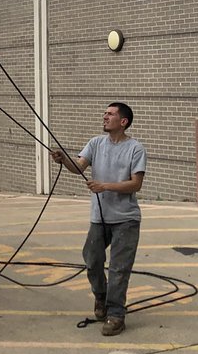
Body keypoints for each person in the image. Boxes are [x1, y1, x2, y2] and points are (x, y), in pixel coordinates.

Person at [51, 102, 147, 336]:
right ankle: (101, 297)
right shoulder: (96, 143)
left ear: (123, 122)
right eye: (105, 113)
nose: (105, 116)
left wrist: (104, 186)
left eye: (110, 114)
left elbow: (136, 183)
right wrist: (64, 159)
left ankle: (116, 315)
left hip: (126, 219)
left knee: (118, 268)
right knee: (92, 259)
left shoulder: (135, 149)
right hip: (99, 218)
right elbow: (79, 166)